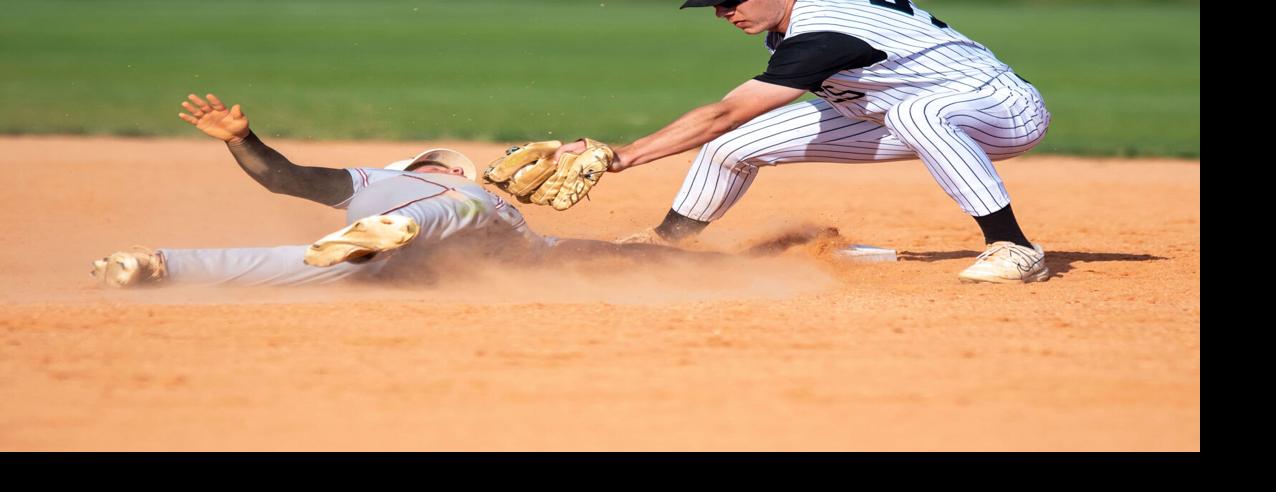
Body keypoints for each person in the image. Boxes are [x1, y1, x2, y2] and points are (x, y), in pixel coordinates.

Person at [555, 0, 1052, 284]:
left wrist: (622, 156)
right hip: (891, 106)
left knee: (915, 112)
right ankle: (668, 242)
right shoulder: (801, 18)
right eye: (715, 5)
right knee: (738, 145)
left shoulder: (825, 31)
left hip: (1000, 107)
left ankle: (1014, 246)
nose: (724, 11)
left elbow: (723, 112)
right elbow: (730, 129)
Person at [91, 93, 555, 288]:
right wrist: (624, 252)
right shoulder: (464, 191)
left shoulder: (368, 182)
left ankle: (154, 268)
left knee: (318, 265)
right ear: (434, 169)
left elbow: (283, 178)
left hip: (384, 243)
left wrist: (242, 142)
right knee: (451, 210)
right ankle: (400, 225)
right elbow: (560, 253)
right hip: (418, 213)